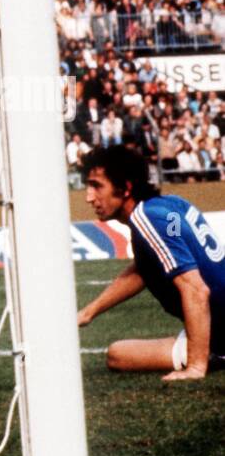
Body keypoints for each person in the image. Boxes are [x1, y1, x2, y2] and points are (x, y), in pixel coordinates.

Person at [77, 146, 225, 380]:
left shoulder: (146, 218)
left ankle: (210, 355)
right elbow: (148, 267)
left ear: (125, 188)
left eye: (97, 186)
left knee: (117, 354)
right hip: (216, 323)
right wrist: (88, 313)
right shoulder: (170, 206)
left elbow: (195, 288)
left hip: (218, 337)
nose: (89, 197)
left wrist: (196, 367)